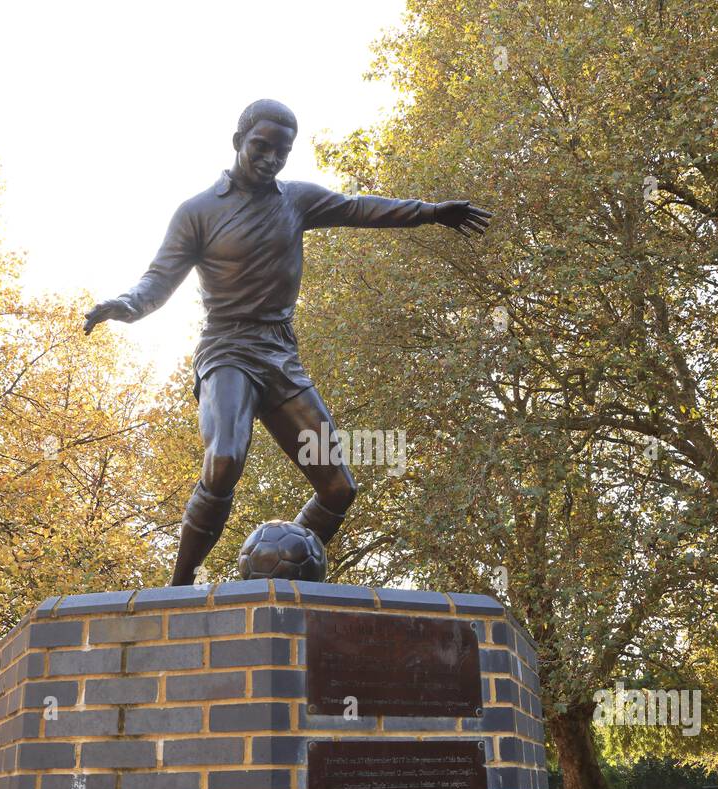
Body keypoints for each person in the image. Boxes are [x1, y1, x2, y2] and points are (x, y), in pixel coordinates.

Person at [84, 99, 492, 585]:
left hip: (279, 356)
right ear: (238, 141)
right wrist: (125, 306)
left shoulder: (295, 200)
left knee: (338, 488)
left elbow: (359, 208)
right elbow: (158, 279)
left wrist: (431, 212)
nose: (271, 158)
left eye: (282, 151)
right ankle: (179, 590)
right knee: (225, 458)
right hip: (227, 351)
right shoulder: (197, 212)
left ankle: (278, 575)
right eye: (261, 146)